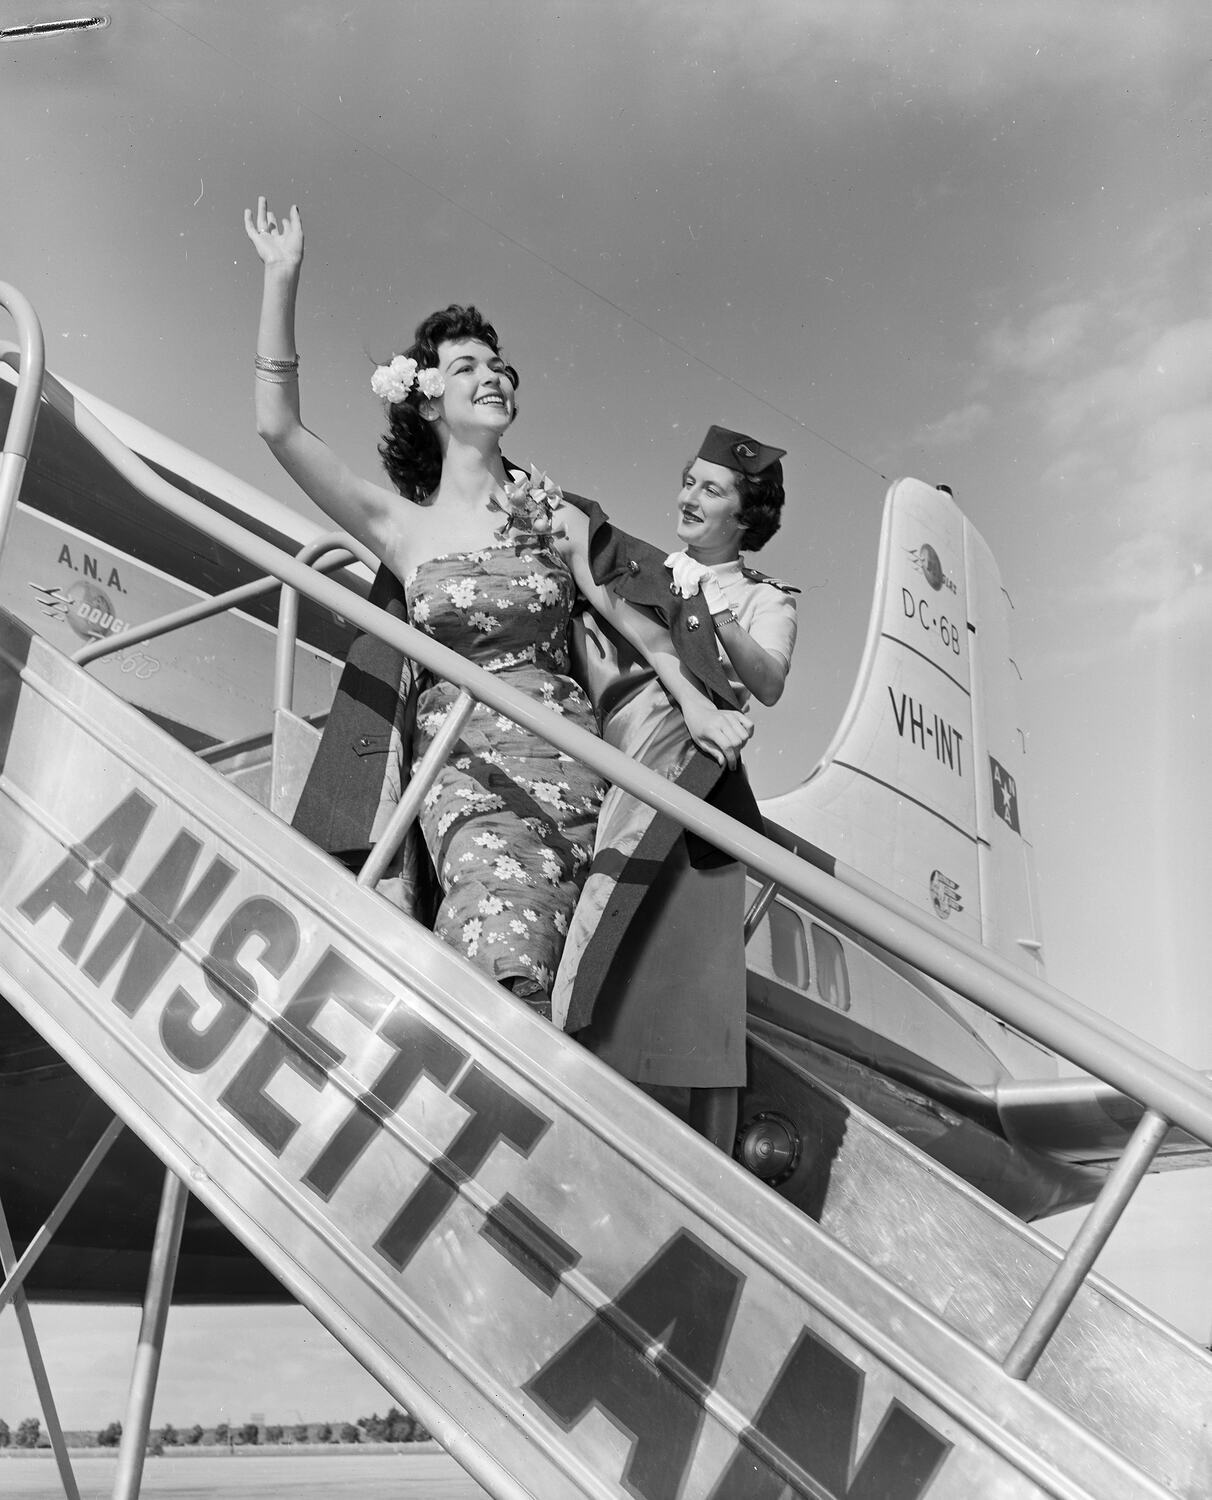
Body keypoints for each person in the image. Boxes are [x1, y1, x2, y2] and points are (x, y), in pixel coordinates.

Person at [243, 199, 752, 1016]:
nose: (494, 376)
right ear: (427, 399)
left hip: (564, 756)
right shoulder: (399, 527)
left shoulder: (556, 513)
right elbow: (278, 428)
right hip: (464, 766)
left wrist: (695, 706)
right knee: (491, 939)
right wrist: (283, 275)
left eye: (500, 365)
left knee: (543, 966)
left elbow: (629, 619)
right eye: (469, 365)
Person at [552, 426, 797, 1149]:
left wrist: (715, 611)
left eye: (711, 489)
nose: (688, 497)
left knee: (632, 926)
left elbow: (770, 682)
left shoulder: (762, 598)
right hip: (601, 750)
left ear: (745, 517)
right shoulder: (639, 567)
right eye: (688, 481)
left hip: (675, 763)